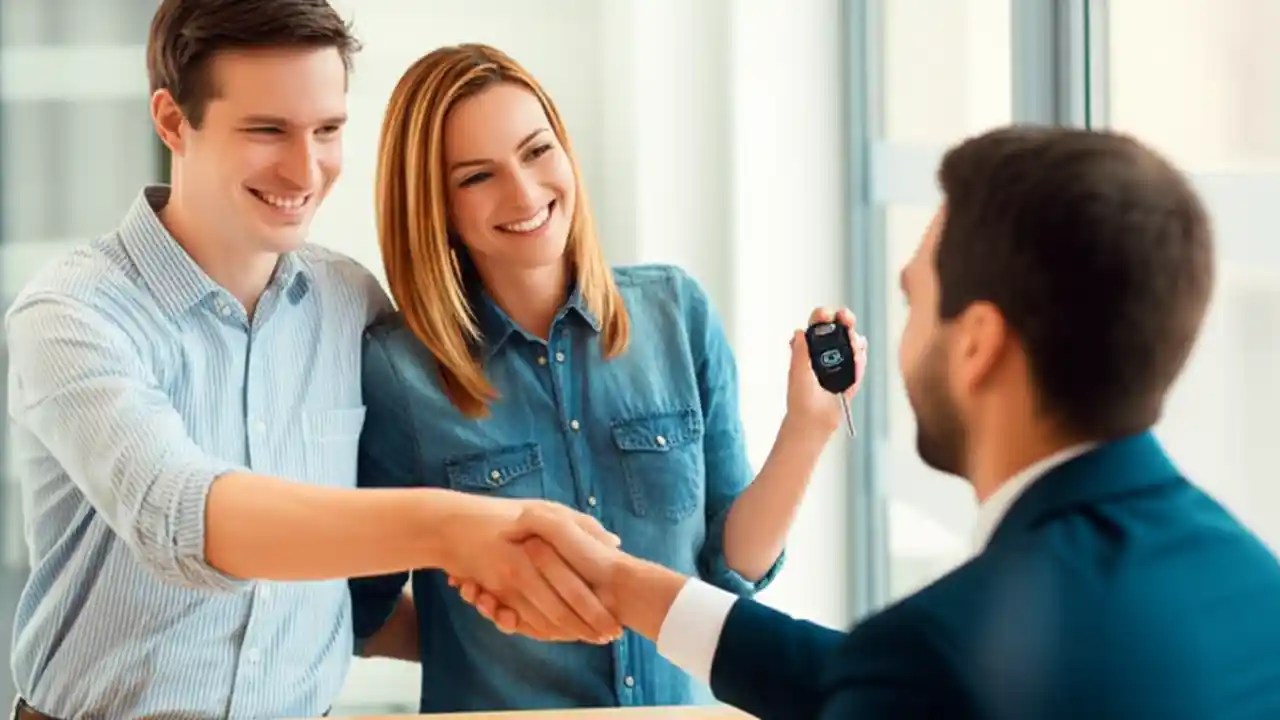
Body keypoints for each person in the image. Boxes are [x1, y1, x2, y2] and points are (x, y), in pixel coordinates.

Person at [459, 126, 1280, 719]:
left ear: (978, 346)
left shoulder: (936, 653)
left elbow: (899, 683)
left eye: (914, 300)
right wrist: (638, 589)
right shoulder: (1251, 580)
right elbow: (860, 684)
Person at [3, 4, 617, 719]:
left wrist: (557, 626)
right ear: (173, 121)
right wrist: (455, 527)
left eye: (327, 130)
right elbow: (182, 518)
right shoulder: (73, 313)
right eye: (268, 130)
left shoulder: (350, 303)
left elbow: (357, 594)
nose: (306, 169)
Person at [346, 43, 868, 713]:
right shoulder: (396, 374)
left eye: (537, 151)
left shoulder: (675, 312)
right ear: (435, 207)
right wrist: (476, 638)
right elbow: (358, 613)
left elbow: (731, 571)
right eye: (478, 177)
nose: (525, 193)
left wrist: (809, 426)